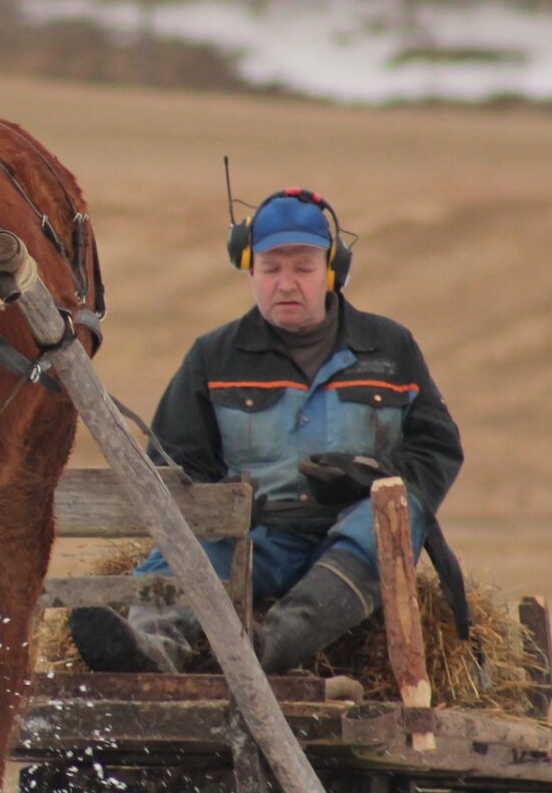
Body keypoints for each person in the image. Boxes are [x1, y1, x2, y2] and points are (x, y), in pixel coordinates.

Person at [71, 188, 462, 675]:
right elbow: (173, 467)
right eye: (271, 268)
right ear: (250, 271)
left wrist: (370, 477)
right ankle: (149, 649)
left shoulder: (390, 349)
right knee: (194, 545)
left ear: (332, 271)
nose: (286, 284)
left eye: (303, 268)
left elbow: (437, 449)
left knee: (382, 523)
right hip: (258, 537)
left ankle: (266, 648)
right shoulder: (213, 358)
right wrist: (223, 502)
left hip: (355, 546)